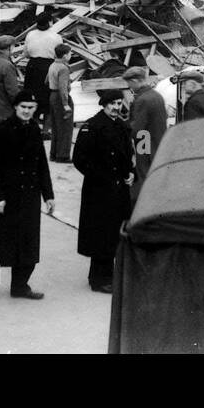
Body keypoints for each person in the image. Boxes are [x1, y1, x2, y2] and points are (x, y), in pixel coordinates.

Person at [0, 94, 54, 301]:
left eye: (31, 107)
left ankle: (20, 286)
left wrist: (48, 195)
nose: (27, 111)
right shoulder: (1, 130)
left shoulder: (35, 130)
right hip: (6, 198)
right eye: (23, 107)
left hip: (29, 197)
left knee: (28, 244)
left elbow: (41, 165)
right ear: (15, 107)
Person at [74, 89, 134, 294]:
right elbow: (80, 159)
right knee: (101, 233)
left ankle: (108, 275)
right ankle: (98, 279)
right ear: (104, 104)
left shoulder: (122, 127)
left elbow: (128, 154)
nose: (116, 108)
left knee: (114, 232)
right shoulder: (92, 126)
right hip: (99, 189)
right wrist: (100, 177)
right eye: (112, 104)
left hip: (119, 189)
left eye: (119, 103)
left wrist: (131, 173)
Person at [123, 67, 166, 203]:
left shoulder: (142, 100)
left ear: (135, 81)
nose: (129, 87)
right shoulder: (156, 96)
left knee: (143, 173)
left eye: (129, 83)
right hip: (157, 140)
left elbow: (137, 128)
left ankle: (143, 205)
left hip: (145, 142)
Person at [22, 11, 62, 132]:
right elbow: (59, 55)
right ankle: (45, 130)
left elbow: (26, 54)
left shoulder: (30, 35)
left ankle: (31, 126)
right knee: (48, 98)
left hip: (33, 67)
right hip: (48, 67)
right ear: (50, 22)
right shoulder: (56, 37)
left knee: (32, 97)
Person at [46, 44, 75, 163]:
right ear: (64, 56)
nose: (71, 55)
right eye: (69, 53)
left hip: (52, 95)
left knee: (56, 126)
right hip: (61, 97)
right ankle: (63, 155)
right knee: (65, 127)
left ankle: (54, 153)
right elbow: (63, 88)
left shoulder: (53, 65)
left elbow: (46, 80)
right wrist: (65, 104)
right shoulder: (63, 68)